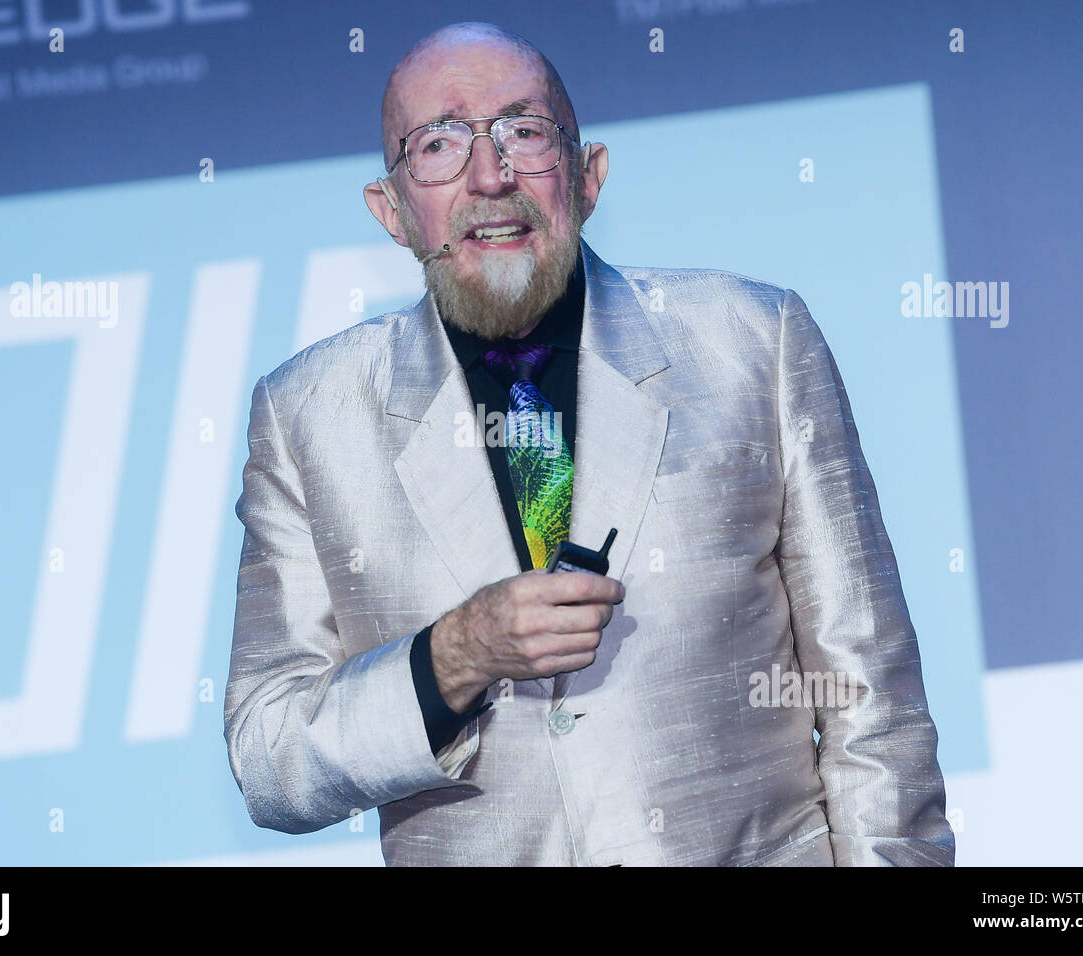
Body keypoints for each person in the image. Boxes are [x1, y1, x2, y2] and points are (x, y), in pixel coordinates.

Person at [222, 21, 955, 866]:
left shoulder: (754, 342)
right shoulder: (307, 413)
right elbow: (269, 759)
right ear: (391, 211)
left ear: (588, 174)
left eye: (524, 133)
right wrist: (453, 658)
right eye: (439, 145)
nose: (490, 177)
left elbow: (871, 695)